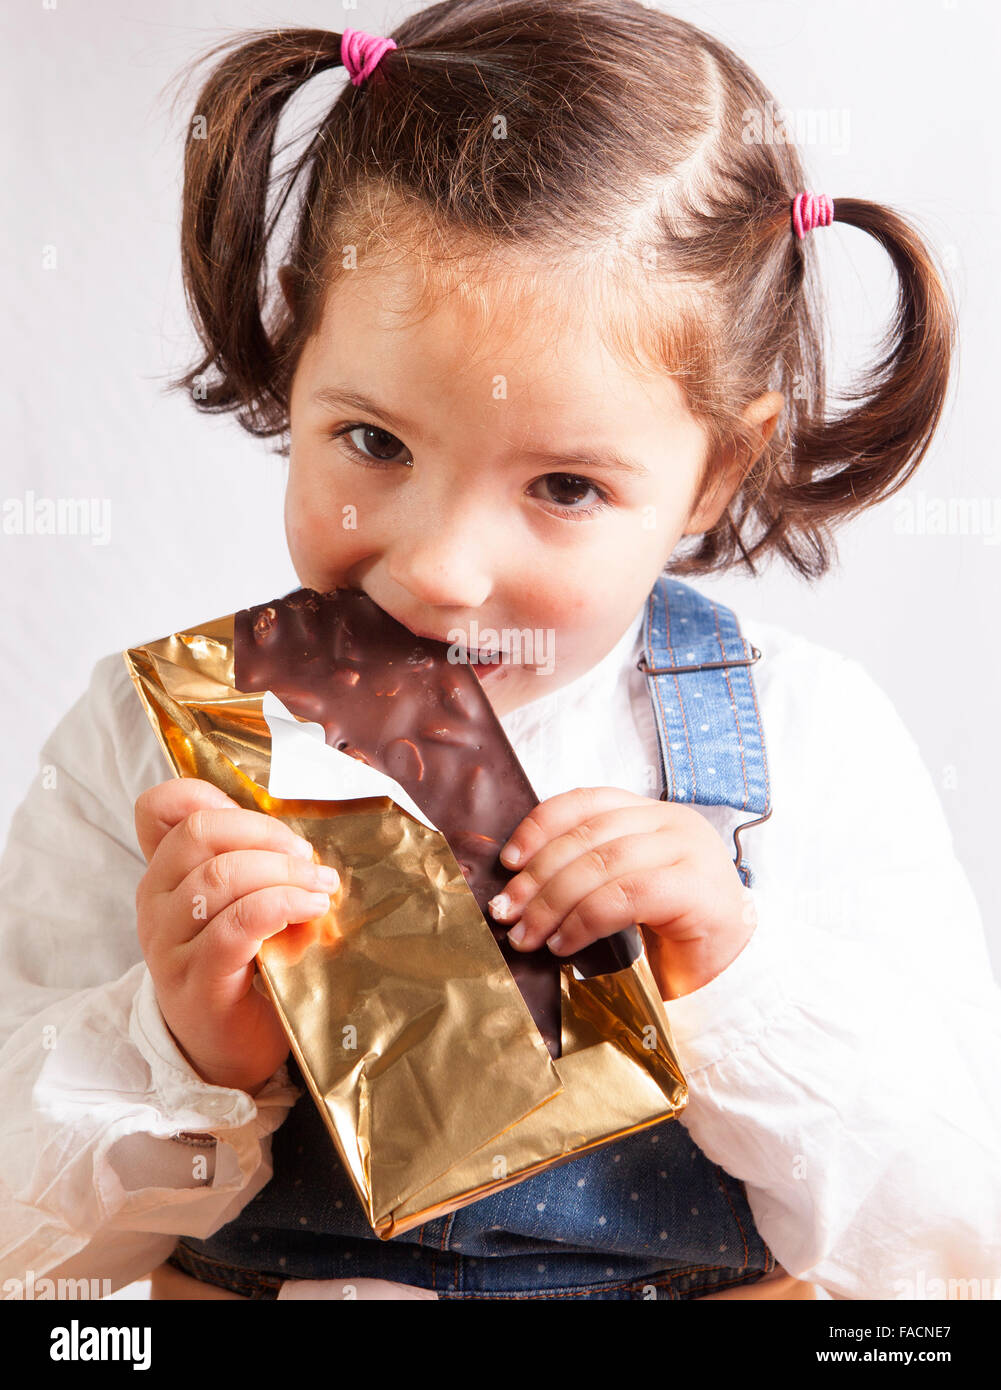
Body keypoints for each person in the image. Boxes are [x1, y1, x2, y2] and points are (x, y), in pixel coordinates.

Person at [2, 1, 999, 1303]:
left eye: (566, 486)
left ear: (714, 471)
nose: (437, 569)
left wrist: (734, 973)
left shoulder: (808, 740)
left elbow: (950, 1241)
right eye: (373, 442)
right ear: (300, 349)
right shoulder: (150, 737)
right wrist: (183, 1048)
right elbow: (34, 1263)